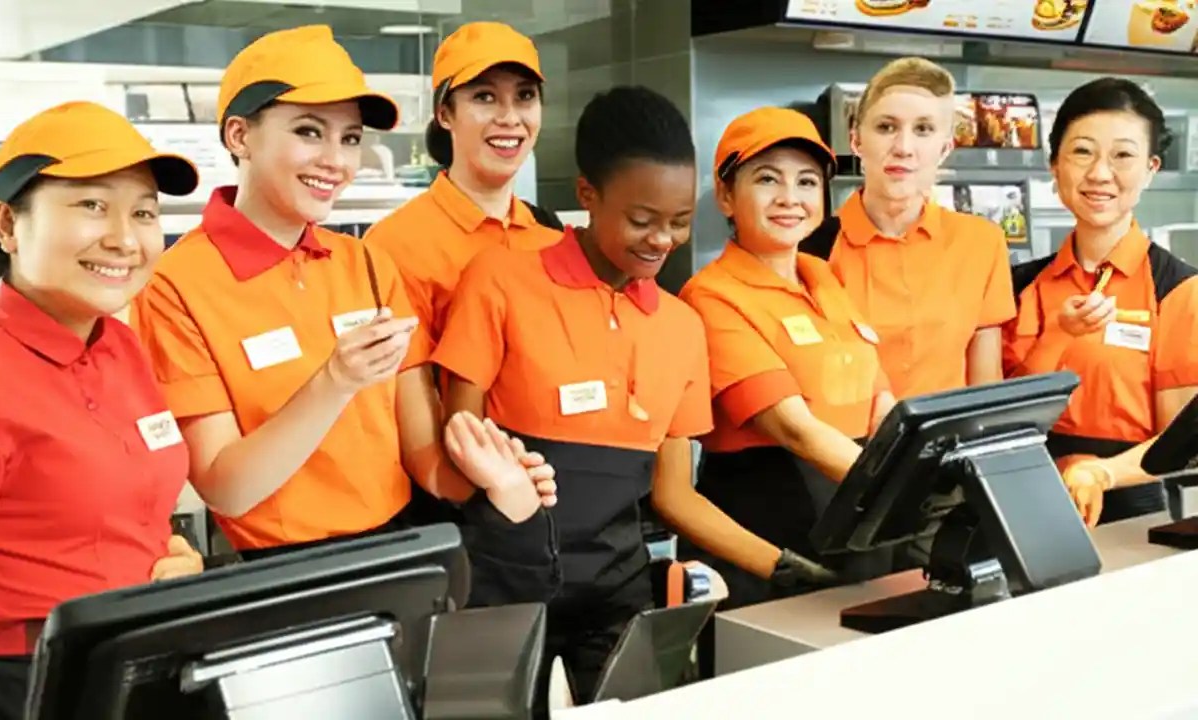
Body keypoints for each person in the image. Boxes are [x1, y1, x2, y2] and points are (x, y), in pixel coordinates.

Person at [129, 25, 559, 608]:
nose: (335, 161)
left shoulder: (367, 264)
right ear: (239, 135)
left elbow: (422, 456)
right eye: (309, 132)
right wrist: (335, 382)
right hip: (283, 578)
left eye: (350, 138)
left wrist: (494, 479)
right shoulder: (175, 285)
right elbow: (226, 488)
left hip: (401, 555)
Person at [0, 101, 205, 720]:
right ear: (7, 224)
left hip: (151, 662)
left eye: (144, 212)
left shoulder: (120, 345)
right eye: (92, 205)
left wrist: (173, 561)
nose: (124, 238)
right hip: (36, 686)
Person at [432, 85, 712, 704]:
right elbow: (460, 439)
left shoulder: (683, 325)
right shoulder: (500, 279)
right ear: (587, 195)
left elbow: (672, 490)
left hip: (619, 588)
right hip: (502, 576)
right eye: (641, 220)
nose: (662, 240)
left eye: (679, 222)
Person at [677, 107, 892, 609]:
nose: (790, 198)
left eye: (807, 181)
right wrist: (898, 491)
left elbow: (879, 396)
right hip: (769, 539)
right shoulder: (711, 296)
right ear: (725, 195)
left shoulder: (824, 276)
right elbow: (795, 430)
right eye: (767, 179)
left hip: (854, 516)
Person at [363, 21, 564, 526]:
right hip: (462, 507)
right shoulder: (393, 245)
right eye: (484, 97)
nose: (510, 117)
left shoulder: (550, 235)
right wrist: (494, 498)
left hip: (555, 486)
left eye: (525, 96)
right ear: (445, 113)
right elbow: (415, 432)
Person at [1004, 77, 1198, 525]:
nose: (1100, 173)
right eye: (1082, 152)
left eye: (1123, 155)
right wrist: (1056, 335)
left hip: (1133, 508)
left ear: (1150, 168)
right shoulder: (1018, 286)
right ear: (1055, 165)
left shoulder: (1178, 289)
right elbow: (999, 416)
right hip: (1019, 498)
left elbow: (1181, 442)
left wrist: (1102, 473)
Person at [805, 57, 1016, 399]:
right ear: (856, 140)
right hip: (844, 433)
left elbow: (985, 389)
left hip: (949, 433)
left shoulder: (982, 243)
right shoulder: (811, 250)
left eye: (923, 129)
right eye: (886, 127)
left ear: (945, 148)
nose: (903, 148)